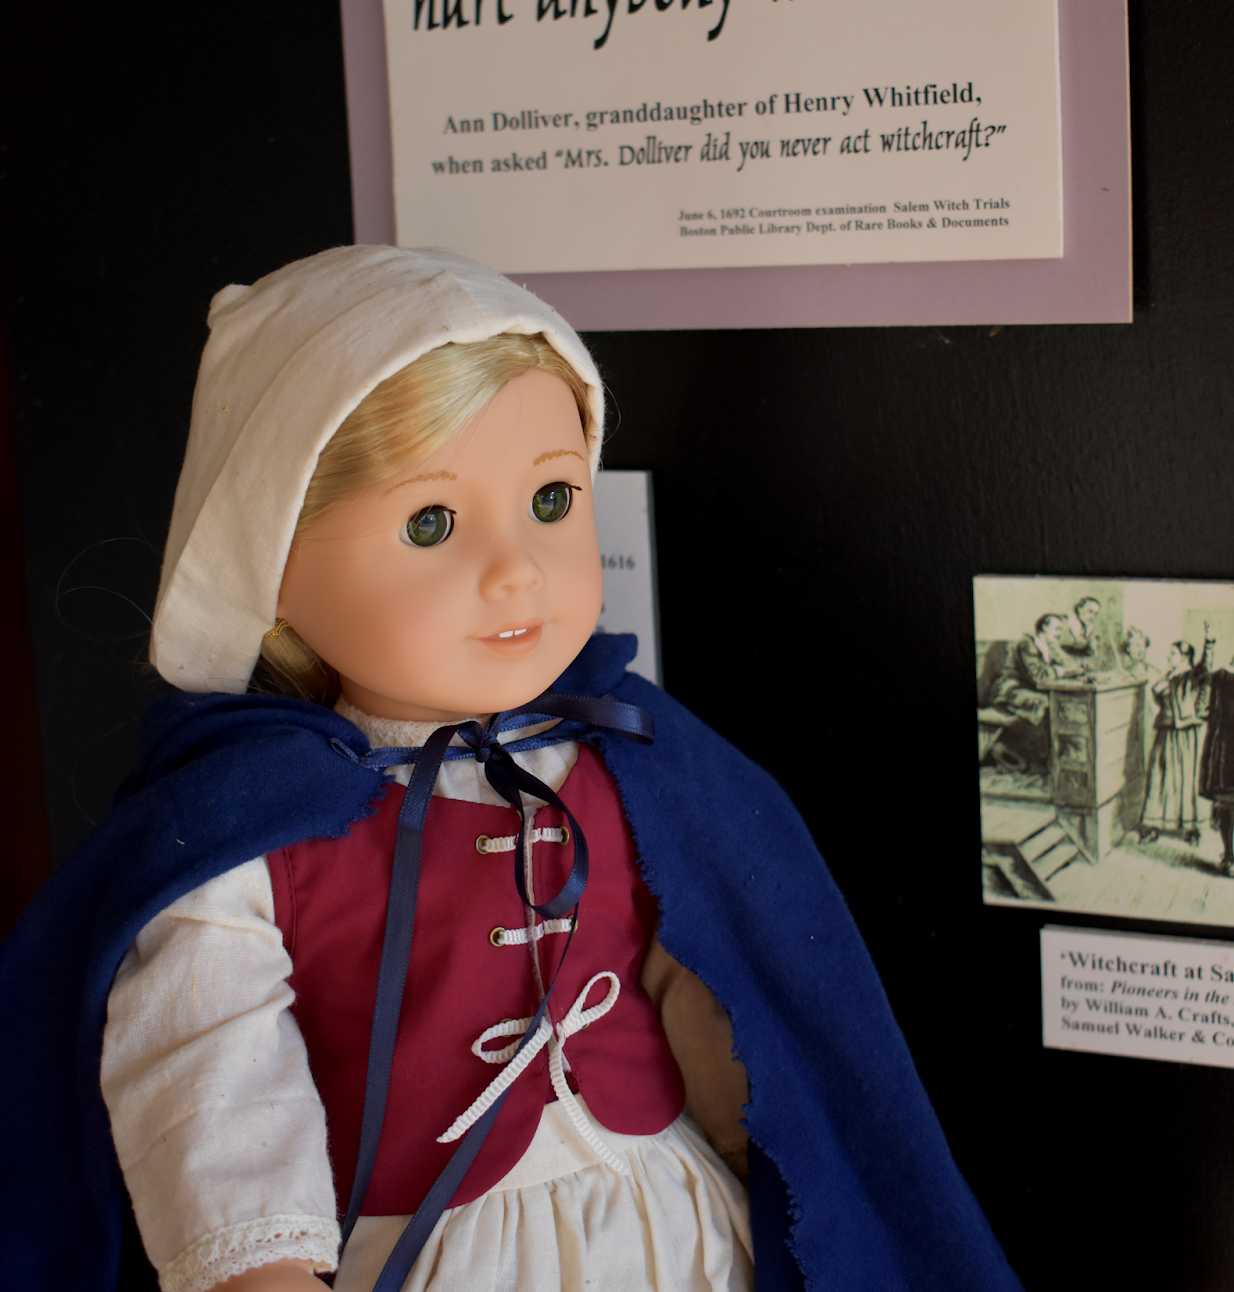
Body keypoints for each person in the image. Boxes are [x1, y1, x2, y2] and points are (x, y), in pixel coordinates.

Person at [0, 246, 1022, 1292]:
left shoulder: (632, 753)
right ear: (270, 563)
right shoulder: (240, 833)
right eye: (430, 523)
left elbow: (732, 981)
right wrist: (257, 1267)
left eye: (549, 500)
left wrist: (764, 1140)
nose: (516, 570)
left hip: (674, 1227)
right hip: (430, 1253)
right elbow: (209, 1067)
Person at [1138, 624, 1218, 847]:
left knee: (1187, 779)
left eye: (1173, 654)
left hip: (1187, 734)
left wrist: (1209, 642)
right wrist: (1167, 678)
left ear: (1184, 657)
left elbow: (1206, 663)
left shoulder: (1195, 675)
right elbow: (1158, 694)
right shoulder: (1170, 676)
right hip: (1166, 733)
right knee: (1159, 777)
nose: (1168, 656)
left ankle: (1191, 828)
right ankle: (1153, 825)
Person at [987, 613, 1077, 774]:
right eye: (1057, 629)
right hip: (1010, 690)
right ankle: (1014, 751)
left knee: (1057, 703)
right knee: (1044, 703)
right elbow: (1038, 676)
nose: (1059, 633)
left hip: (1027, 690)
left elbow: (1066, 666)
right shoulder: (1027, 645)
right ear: (1044, 627)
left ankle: (1045, 758)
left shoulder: (1048, 646)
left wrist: (1071, 668)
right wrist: (1061, 670)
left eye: (1061, 630)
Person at [1199, 652, 1234, 876]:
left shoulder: (1219, 677)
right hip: (1226, 749)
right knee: (1226, 804)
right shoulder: (1220, 678)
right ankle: (1230, 857)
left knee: (1226, 805)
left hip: (1224, 747)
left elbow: (1206, 710)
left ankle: (1230, 857)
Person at [1059, 596, 1109, 673]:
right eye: (1090, 611)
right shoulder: (1063, 624)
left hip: (1076, 671)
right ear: (1079, 609)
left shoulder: (1088, 628)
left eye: (1095, 614)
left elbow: (1091, 654)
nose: (1092, 616)